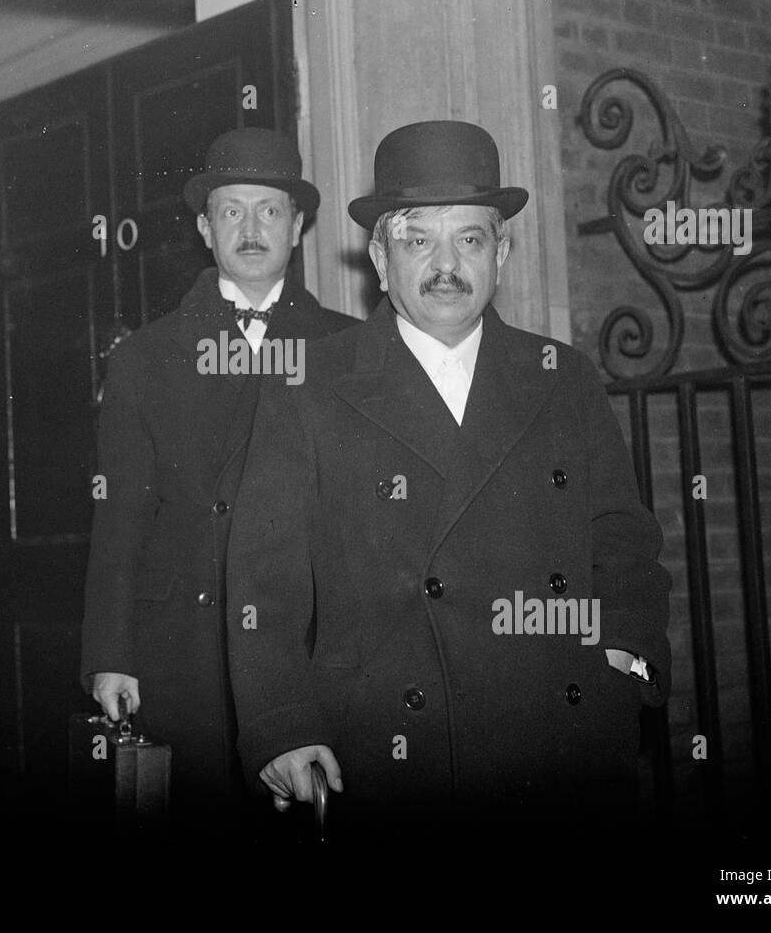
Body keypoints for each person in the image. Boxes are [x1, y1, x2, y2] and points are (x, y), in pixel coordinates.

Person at [226, 120, 671, 838]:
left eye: (469, 239)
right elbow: (261, 582)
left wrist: (623, 653)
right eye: (417, 239)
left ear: (502, 253)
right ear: (378, 256)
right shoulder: (308, 386)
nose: (445, 265)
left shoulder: (563, 376)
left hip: (566, 750)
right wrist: (280, 725)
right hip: (396, 761)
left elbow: (621, 540)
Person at [79, 127, 357, 836]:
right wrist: (110, 655)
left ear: (298, 226)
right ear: (206, 228)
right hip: (183, 646)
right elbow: (121, 519)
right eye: (232, 210)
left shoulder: (351, 349)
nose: (252, 228)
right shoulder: (145, 357)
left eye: (270, 211)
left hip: (309, 637)